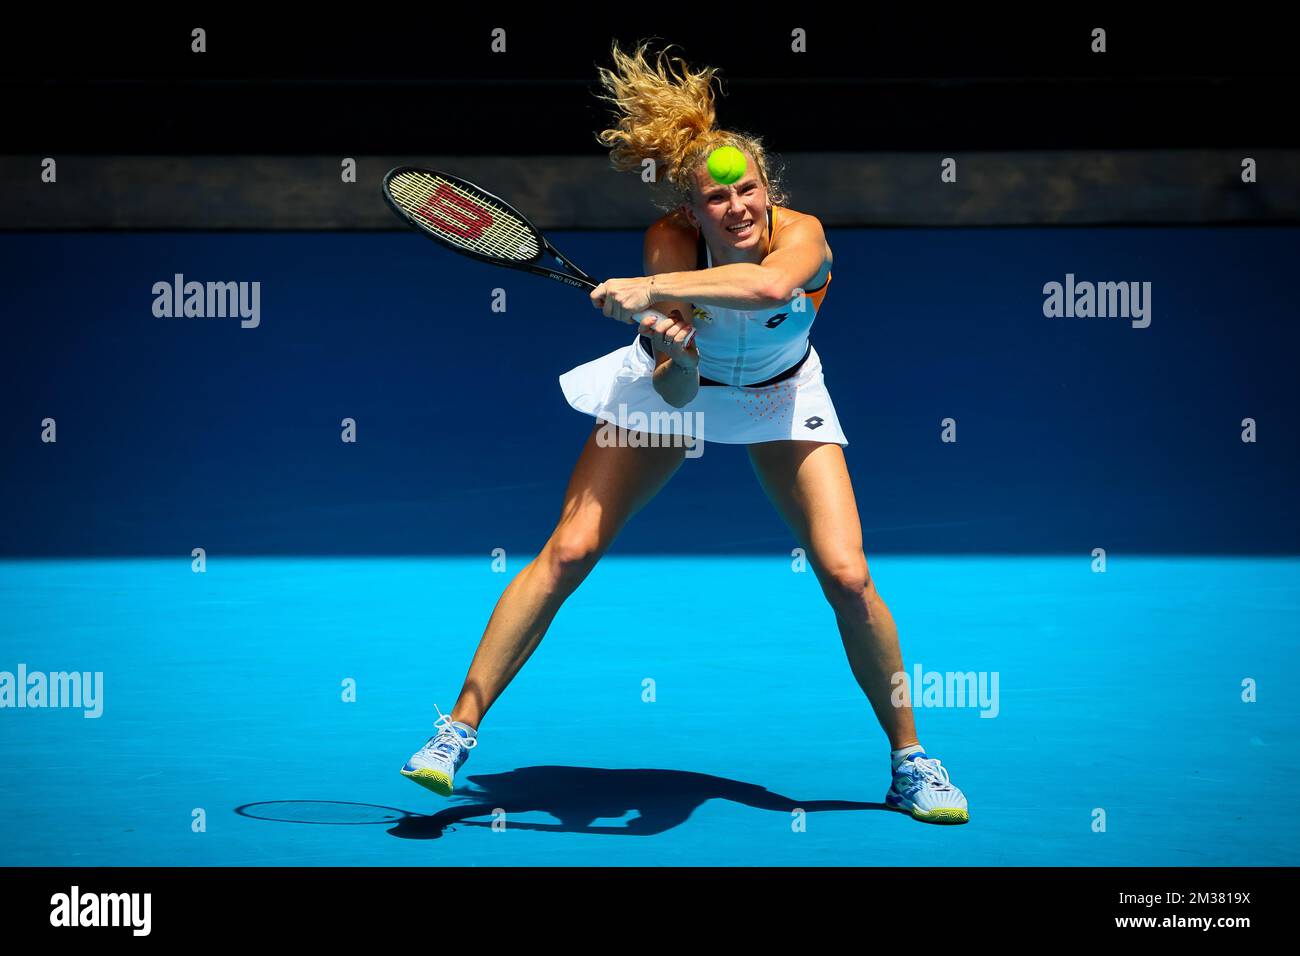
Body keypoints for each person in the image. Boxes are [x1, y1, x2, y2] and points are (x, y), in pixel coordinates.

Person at [401, 41, 969, 825]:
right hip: (685, 386)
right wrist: (663, 343)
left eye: (749, 189)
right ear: (692, 209)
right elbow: (677, 388)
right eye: (716, 198)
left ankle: (912, 763)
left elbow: (769, 285)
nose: (737, 207)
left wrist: (647, 290)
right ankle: (454, 733)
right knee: (568, 550)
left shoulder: (803, 237)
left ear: (768, 189)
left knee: (846, 575)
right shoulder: (670, 244)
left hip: (780, 397)